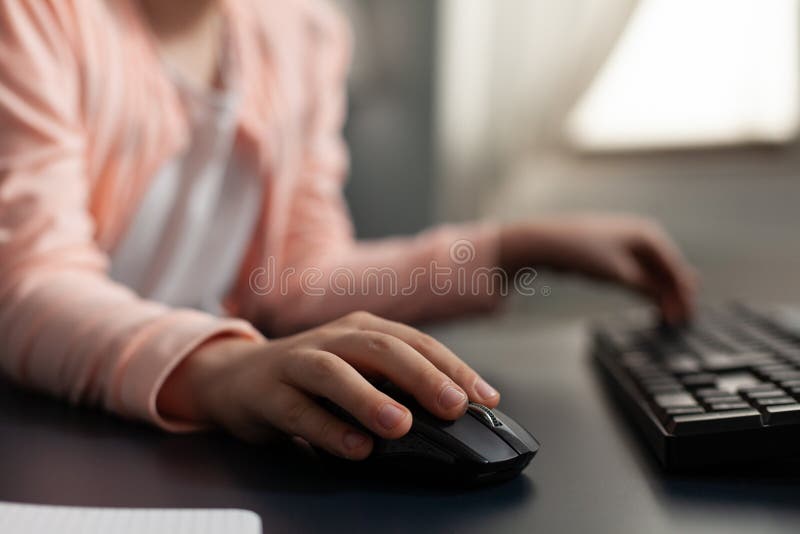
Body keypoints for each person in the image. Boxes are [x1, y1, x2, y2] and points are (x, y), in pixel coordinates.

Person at [0, 0, 695, 460]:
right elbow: (31, 286)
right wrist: (222, 366)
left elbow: (297, 280)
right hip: (43, 431)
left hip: (182, 438)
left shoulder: (303, 32)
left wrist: (513, 249)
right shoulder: (35, 17)